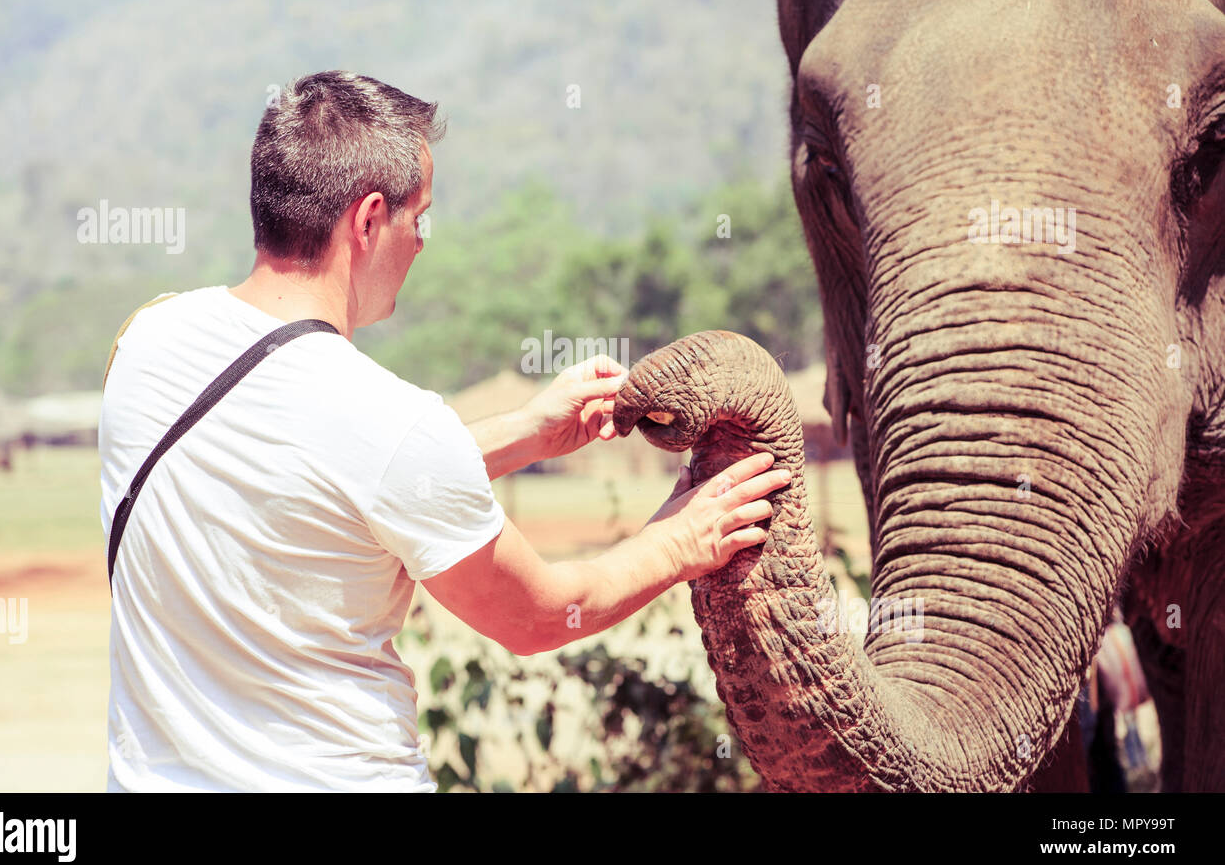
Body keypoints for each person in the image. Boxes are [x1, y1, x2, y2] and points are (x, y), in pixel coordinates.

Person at [98, 70, 788, 792]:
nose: (424, 244)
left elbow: (320, 475)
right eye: (419, 218)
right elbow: (539, 616)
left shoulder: (146, 341)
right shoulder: (384, 418)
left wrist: (528, 431)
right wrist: (681, 540)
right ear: (367, 221)